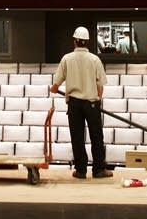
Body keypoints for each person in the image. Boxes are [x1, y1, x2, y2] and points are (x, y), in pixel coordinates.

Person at [50, 26, 110, 180]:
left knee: (77, 137)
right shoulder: (95, 59)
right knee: (97, 137)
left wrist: (54, 88)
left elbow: (55, 86)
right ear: (88, 42)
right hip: (91, 103)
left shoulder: (67, 58)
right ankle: (98, 170)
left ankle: (81, 170)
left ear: (75, 41)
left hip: (75, 104)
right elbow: (100, 86)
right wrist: (97, 101)